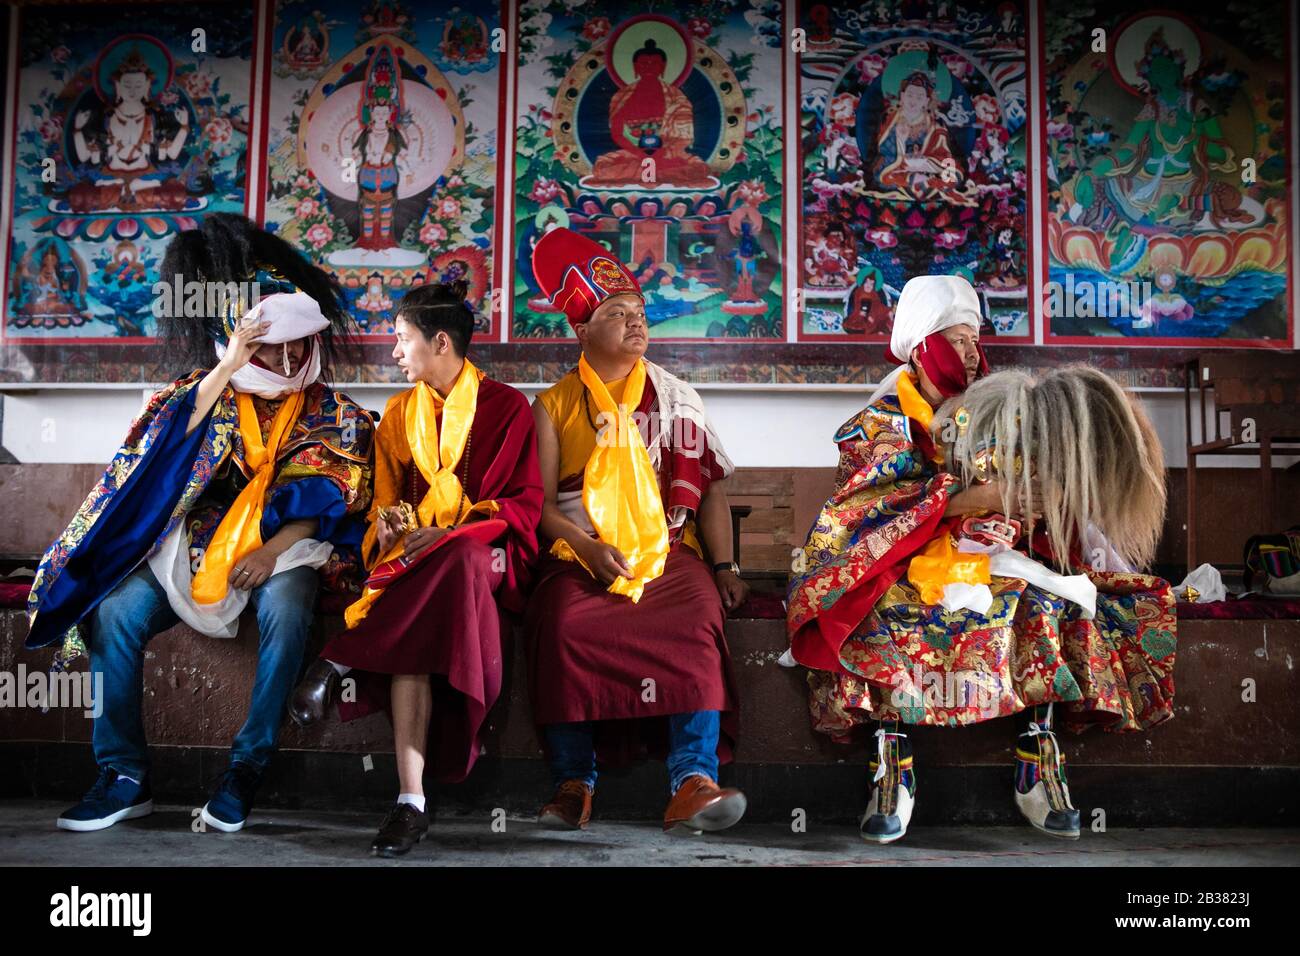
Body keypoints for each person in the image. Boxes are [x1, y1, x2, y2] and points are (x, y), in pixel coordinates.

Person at [787, 274, 1175, 843]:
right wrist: (970, 499)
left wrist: (1034, 504)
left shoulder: (1002, 411)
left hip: (996, 559)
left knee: (1044, 601)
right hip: (904, 564)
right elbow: (860, 515)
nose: (973, 354)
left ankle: (1037, 754)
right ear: (922, 348)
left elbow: (1030, 492)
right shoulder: (875, 424)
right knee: (878, 612)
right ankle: (891, 760)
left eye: (975, 340)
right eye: (958, 340)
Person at [25, 213, 374, 834]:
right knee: (114, 611)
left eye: (299, 343)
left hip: (286, 551)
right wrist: (229, 364)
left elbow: (334, 499)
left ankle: (247, 766)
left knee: (289, 608)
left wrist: (272, 553)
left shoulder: (335, 410)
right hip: (184, 552)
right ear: (238, 341)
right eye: (271, 344)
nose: (289, 355)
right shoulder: (196, 393)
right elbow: (151, 463)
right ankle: (123, 775)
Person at [288, 282, 543, 857]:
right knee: (419, 627)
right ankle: (410, 801)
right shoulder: (399, 415)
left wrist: (451, 533)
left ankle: (338, 657)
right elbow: (384, 503)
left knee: (455, 556)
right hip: (419, 572)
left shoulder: (507, 407)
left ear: (442, 342)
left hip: (488, 556)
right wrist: (391, 530)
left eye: (403, 341)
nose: (395, 354)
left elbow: (523, 506)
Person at [524, 227, 749, 835]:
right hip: (580, 556)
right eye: (616, 313)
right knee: (564, 623)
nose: (635, 323)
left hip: (668, 552)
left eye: (639, 313)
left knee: (695, 617)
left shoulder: (678, 399)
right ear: (581, 329)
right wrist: (588, 548)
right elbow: (541, 507)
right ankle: (573, 781)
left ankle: (692, 781)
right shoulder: (552, 407)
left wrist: (725, 567)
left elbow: (710, 488)